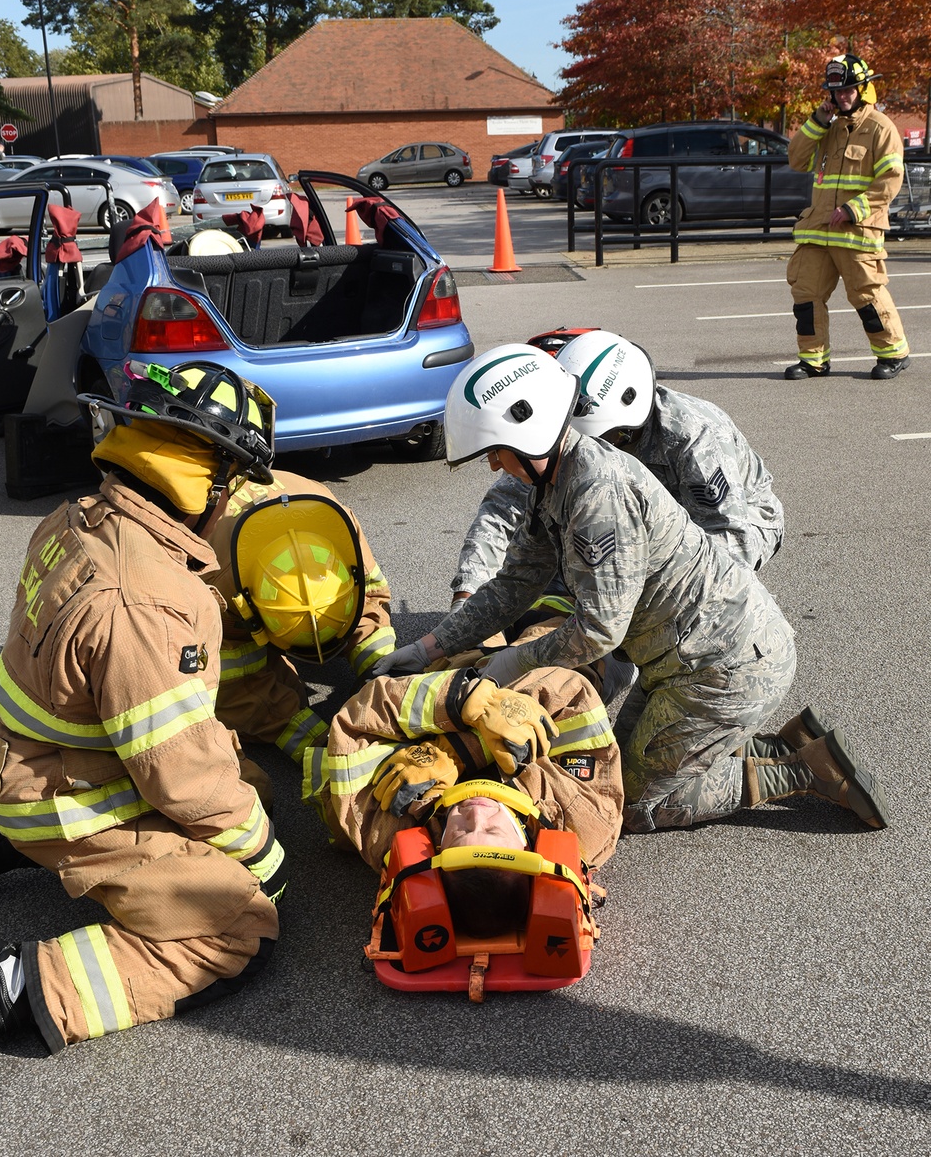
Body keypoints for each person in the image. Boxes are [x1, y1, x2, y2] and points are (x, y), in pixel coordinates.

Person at [0, 361, 287, 1083]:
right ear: (207, 483)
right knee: (238, 919)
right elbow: (181, 774)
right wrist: (261, 855)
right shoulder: (152, 599)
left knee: (250, 784)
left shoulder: (77, 520)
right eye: (234, 481)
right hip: (71, 795)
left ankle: (14, 835)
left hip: (29, 761)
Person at [373, 345, 889, 835]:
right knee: (613, 768)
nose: (492, 465)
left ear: (531, 435)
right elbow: (512, 586)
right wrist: (429, 647)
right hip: (681, 664)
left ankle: (805, 774)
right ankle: (783, 744)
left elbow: (599, 630)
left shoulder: (598, 493)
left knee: (632, 805)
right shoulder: (554, 483)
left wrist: (512, 662)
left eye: (496, 452)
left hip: (723, 670)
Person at [451, 331, 783, 612]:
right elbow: (503, 510)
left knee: (650, 600)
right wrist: (468, 595)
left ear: (628, 427)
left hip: (726, 522)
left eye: (604, 441)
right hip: (643, 522)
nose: (589, 451)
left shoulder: (693, 436)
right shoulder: (561, 427)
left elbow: (729, 538)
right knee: (563, 572)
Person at [302, 662, 624, 938]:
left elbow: (355, 724)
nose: (476, 814)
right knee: (561, 639)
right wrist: (495, 713)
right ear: (528, 849)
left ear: (438, 850)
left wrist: (459, 702)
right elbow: (571, 692)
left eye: (459, 834)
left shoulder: (385, 834)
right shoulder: (586, 825)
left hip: (430, 678)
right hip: (521, 671)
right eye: (494, 832)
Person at [205, 469, 396, 771]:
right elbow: (239, 691)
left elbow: (369, 600)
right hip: (229, 587)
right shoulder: (214, 580)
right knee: (234, 670)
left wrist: (385, 676)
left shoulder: (340, 528)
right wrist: (322, 746)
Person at [785, 54, 909, 380]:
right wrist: (815, 121)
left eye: (849, 90)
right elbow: (796, 159)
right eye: (837, 91)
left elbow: (890, 180)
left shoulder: (881, 128)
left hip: (858, 229)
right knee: (806, 294)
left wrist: (855, 208)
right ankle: (814, 361)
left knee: (866, 296)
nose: (842, 96)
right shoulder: (828, 127)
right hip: (819, 229)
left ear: (864, 89)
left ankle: (893, 354)